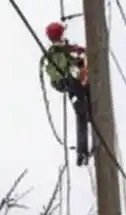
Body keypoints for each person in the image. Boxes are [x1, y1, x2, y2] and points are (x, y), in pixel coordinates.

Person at [41, 21, 91, 165]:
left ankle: (83, 150)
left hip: (71, 83)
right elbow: (68, 69)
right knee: (81, 115)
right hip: (70, 83)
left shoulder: (60, 51)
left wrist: (79, 55)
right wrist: (79, 64)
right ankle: (82, 152)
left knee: (83, 110)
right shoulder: (56, 53)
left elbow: (70, 56)